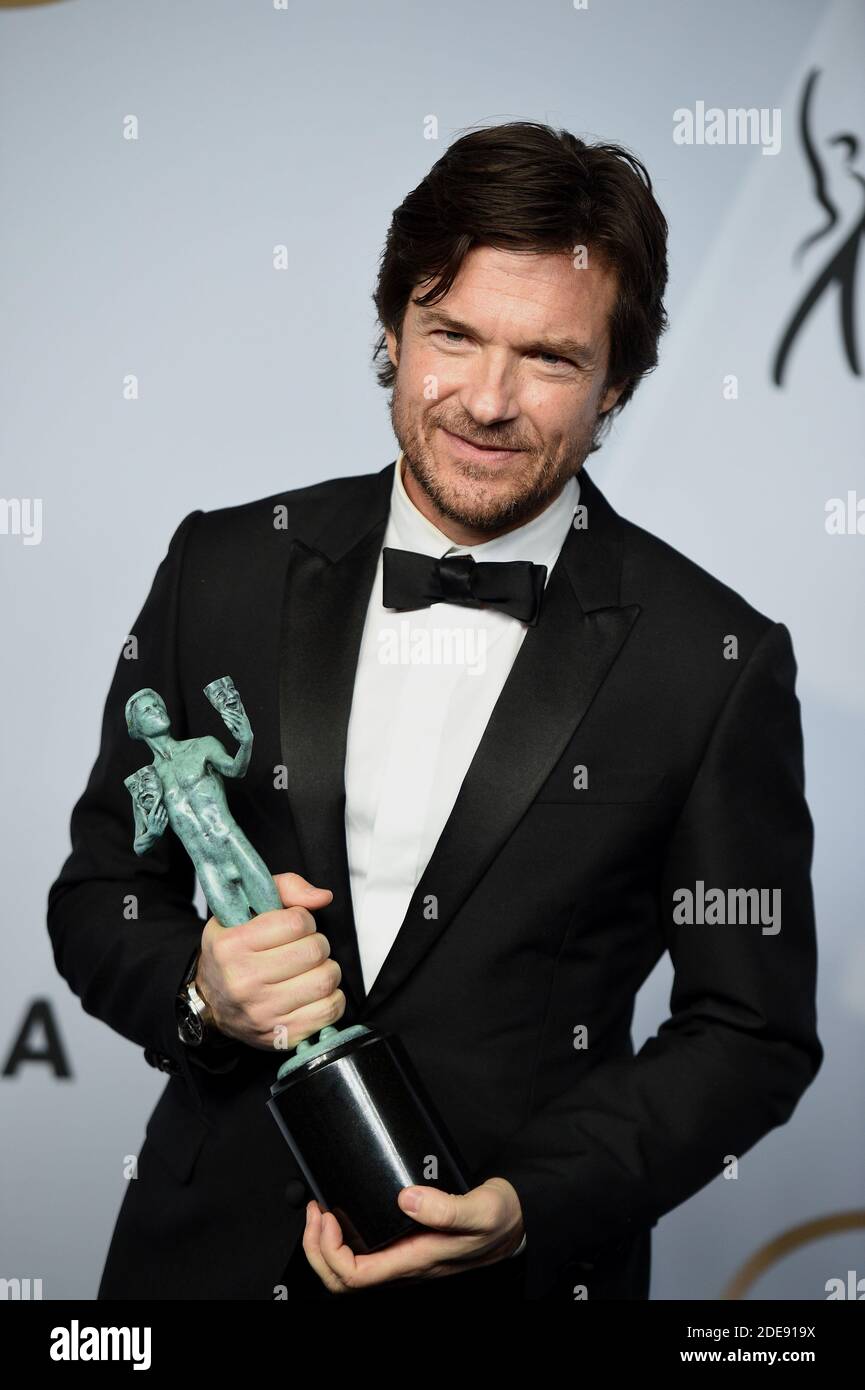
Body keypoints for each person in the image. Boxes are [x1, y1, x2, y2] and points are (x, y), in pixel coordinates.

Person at [47, 120, 822, 1302]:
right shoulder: (227, 565)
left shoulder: (710, 658)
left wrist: (529, 1206)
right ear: (393, 331)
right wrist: (203, 992)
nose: (486, 400)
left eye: (551, 359)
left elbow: (750, 1030)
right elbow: (103, 888)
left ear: (617, 382)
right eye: (450, 335)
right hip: (200, 1261)